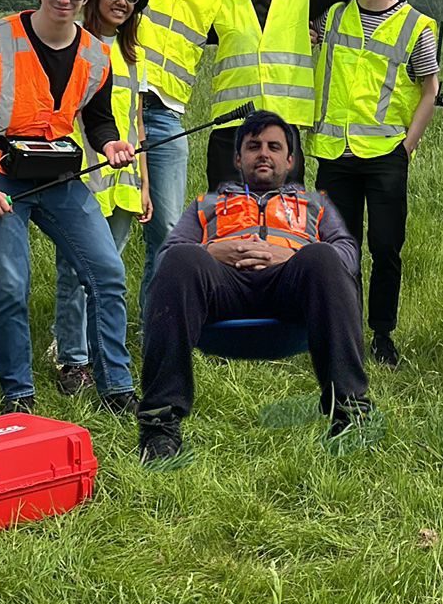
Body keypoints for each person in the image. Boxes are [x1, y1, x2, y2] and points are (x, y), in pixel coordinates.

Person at [0, 0, 138, 413]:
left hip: (59, 175)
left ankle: (116, 387)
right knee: (11, 284)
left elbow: (99, 118)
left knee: (108, 274)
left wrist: (109, 144)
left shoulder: (96, 54)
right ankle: (18, 395)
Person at [137, 111, 372, 464]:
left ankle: (351, 415)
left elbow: (348, 253)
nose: (264, 153)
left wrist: (292, 253)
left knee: (324, 257)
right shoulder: (208, 204)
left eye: (274, 147)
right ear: (238, 158)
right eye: (253, 146)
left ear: (290, 159)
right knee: (181, 260)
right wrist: (212, 249)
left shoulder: (315, 203)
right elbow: (169, 254)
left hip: (288, 287)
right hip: (225, 287)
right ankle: (160, 426)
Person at [103, 0, 223, 304]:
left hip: (169, 116)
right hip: (119, 106)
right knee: (113, 227)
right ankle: (84, 336)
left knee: (169, 231)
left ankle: (156, 326)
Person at [308, 0, 439, 368]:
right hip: (335, 153)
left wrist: (408, 145)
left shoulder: (416, 25)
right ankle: (343, 330)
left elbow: (429, 89)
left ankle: (383, 335)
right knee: (340, 249)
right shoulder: (329, 17)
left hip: (386, 154)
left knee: (385, 249)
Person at [205, 0, 414, 190]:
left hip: (283, 134)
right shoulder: (222, 6)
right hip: (230, 134)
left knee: (283, 225)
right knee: (230, 224)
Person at [52, 0, 152, 394]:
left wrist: (145, 183)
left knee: (109, 274)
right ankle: (72, 360)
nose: (122, 3)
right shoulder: (72, 46)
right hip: (81, 176)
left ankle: (101, 357)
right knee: (74, 273)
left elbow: (138, 123)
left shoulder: (134, 55)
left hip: (125, 182)